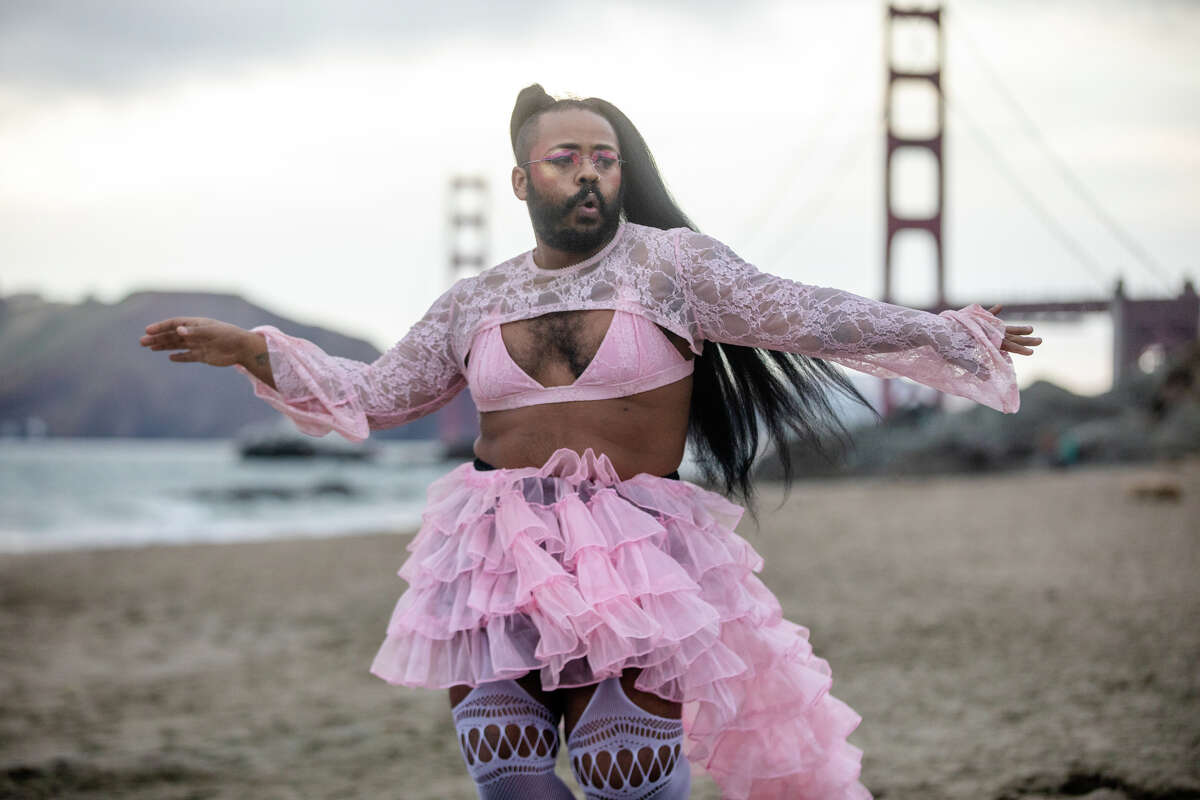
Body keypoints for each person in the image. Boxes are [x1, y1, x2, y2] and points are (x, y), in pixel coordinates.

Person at [140, 84, 1041, 800]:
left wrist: (947, 333)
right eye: (564, 158)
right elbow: (379, 397)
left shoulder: (673, 266)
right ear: (522, 181)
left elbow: (809, 314)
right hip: (496, 556)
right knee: (508, 776)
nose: (588, 175)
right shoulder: (475, 300)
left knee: (624, 778)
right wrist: (254, 350)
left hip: (635, 556)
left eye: (605, 160)